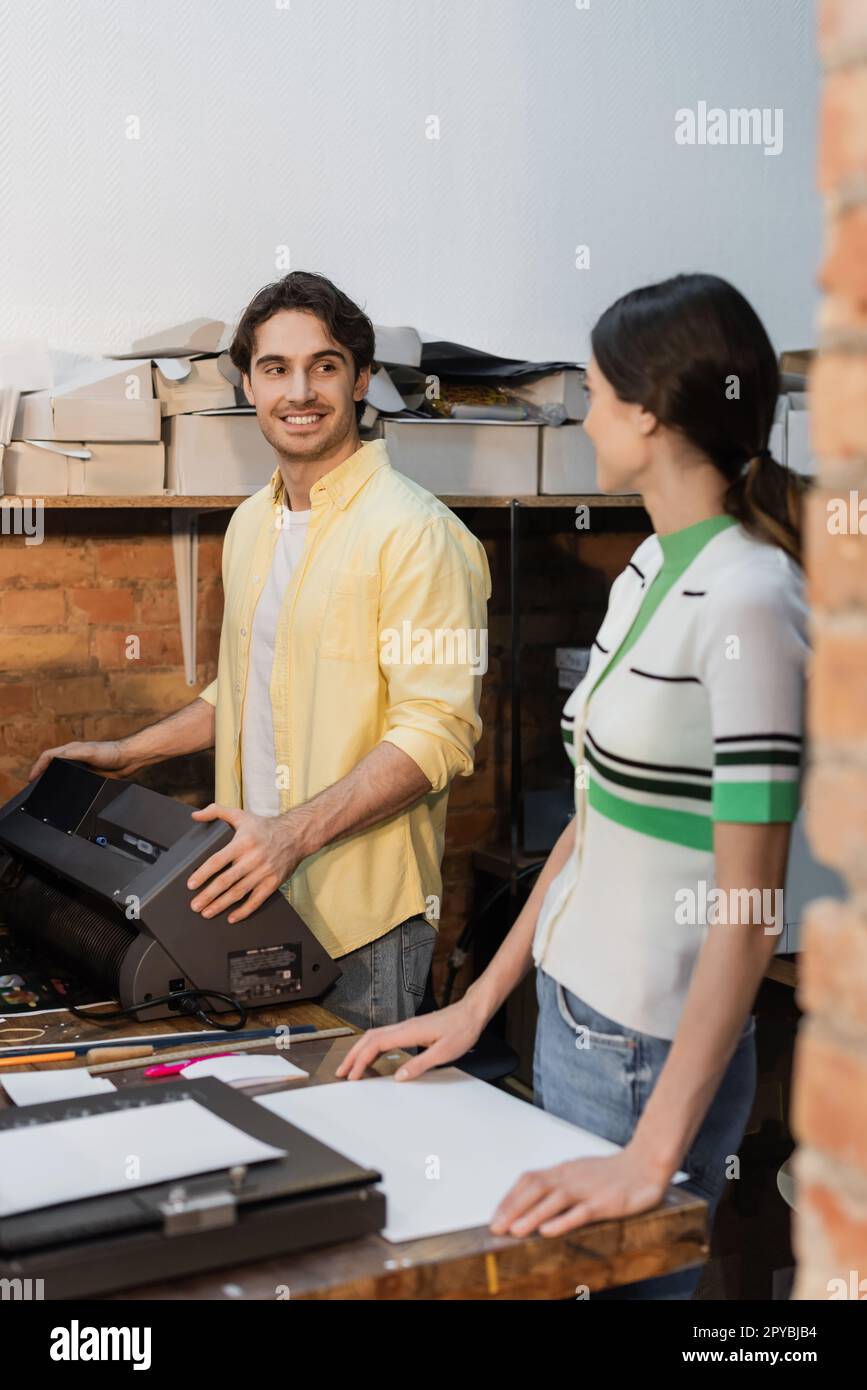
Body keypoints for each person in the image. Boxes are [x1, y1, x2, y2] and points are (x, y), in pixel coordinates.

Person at [337, 272, 808, 1299]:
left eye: (595, 392)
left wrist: (651, 1156)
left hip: (649, 1048)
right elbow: (591, 821)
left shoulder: (752, 599)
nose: (584, 414)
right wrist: (478, 1003)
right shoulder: (648, 567)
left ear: (647, 411)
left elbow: (749, 906)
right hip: (571, 1013)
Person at [29, 271, 490, 1031]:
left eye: (325, 365)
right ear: (248, 384)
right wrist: (129, 752)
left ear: (362, 379)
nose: (299, 391)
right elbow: (243, 688)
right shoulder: (251, 524)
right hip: (253, 896)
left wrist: (291, 835)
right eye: (276, 369)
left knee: (360, 1129)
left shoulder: (418, 535)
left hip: (360, 919)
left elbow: (437, 731)